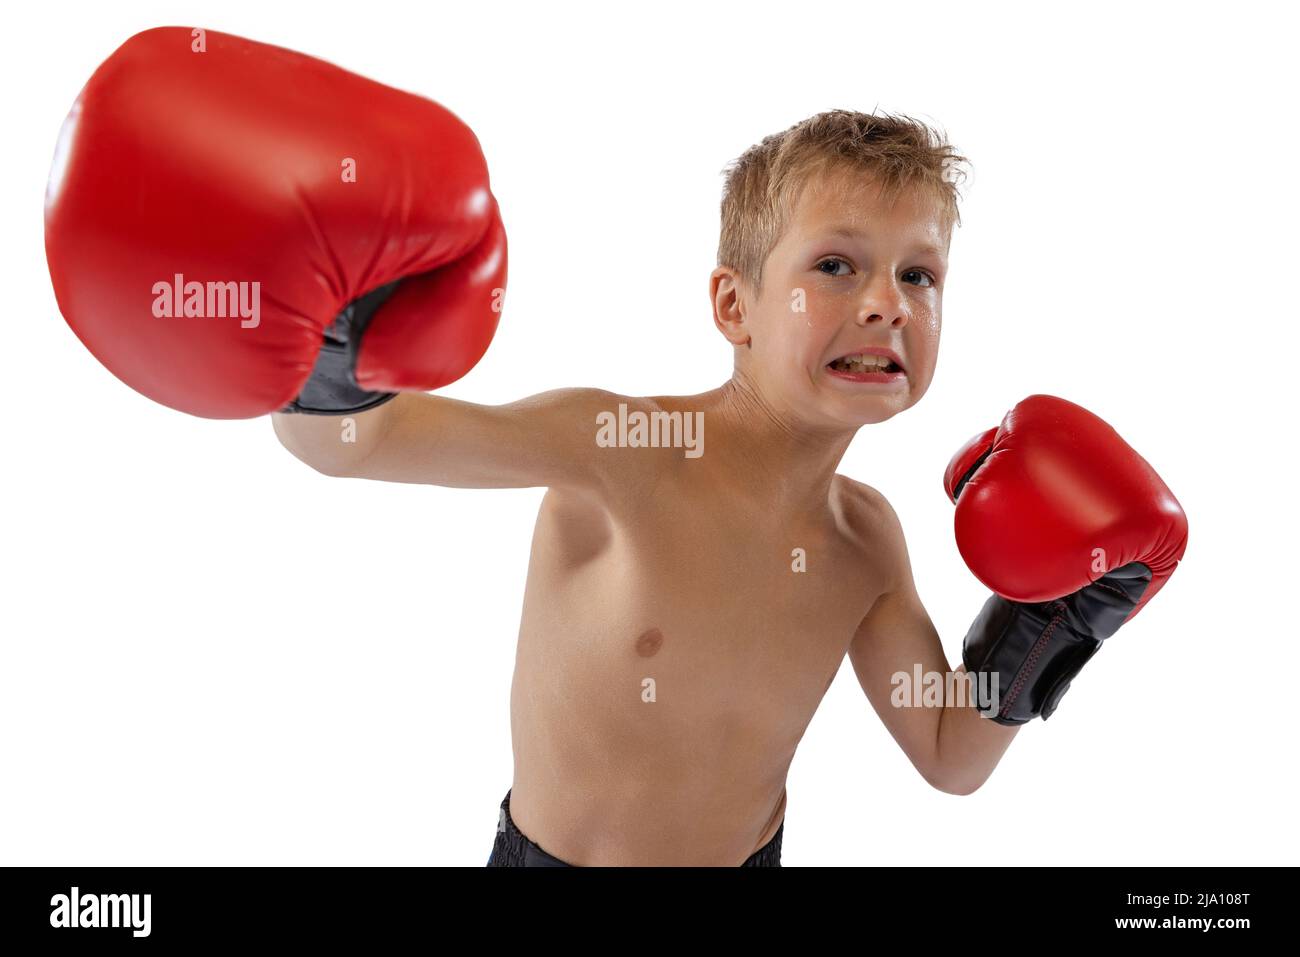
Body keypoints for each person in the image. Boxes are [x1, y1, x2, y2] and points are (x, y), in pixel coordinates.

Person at [46, 28, 1188, 867]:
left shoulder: (865, 543)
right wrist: (340, 348)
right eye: (835, 265)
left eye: (918, 275)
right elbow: (353, 448)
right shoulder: (622, 447)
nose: (886, 303)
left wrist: (1048, 625)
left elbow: (948, 753)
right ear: (733, 307)